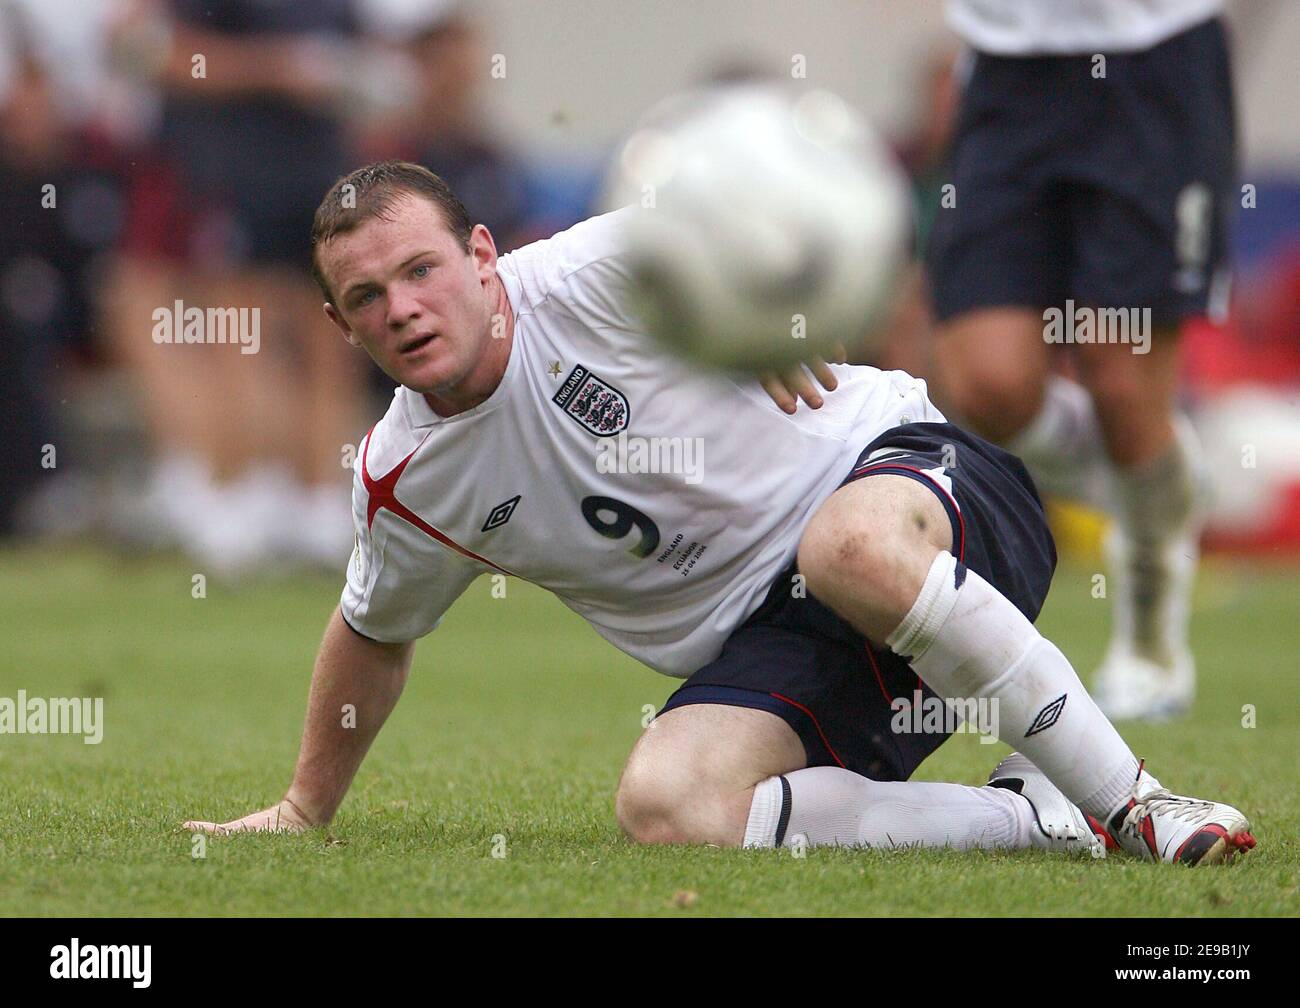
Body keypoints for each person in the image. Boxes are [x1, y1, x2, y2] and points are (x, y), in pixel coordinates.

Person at [185, 162, 1255, 865]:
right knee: (670, 809)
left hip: (921, 488)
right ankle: (1032, 818)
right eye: (367, 298)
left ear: (477, 257)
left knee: (848, 546)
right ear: (338, 322)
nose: (402, 308)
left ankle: (1142, 806)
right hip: (786, 634)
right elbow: (373, 633)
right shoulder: (403, 482)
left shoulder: (597, 272)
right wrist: (303, 808)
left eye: (420, 269)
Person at [928, 0, 1237, 719]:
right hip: (1005, 64)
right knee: (987, 381)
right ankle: (1157, 486)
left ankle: (1152, 641)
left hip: (1152, 57)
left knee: (1124, 387)